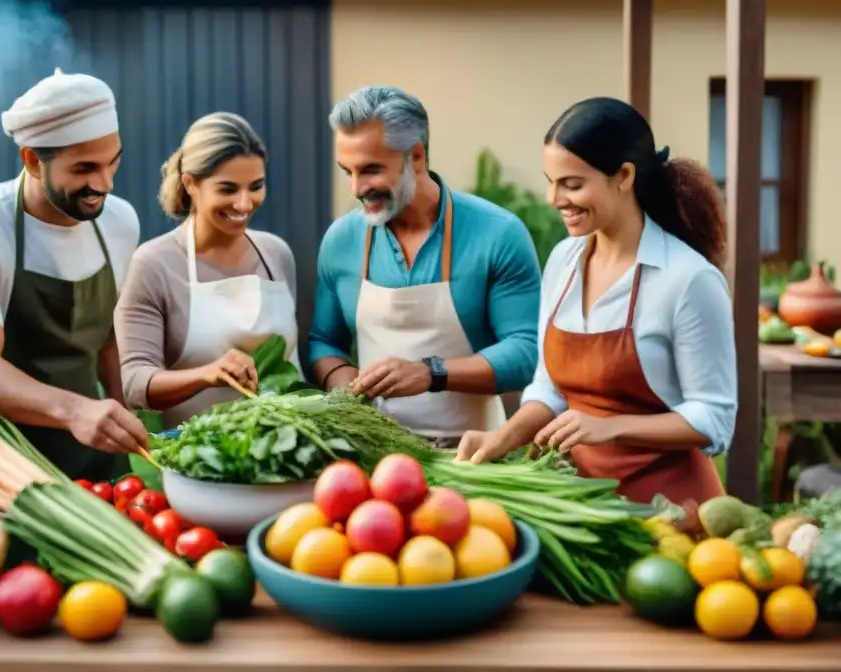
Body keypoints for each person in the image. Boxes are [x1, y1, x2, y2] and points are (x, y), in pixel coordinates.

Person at [457, 97, 736, 508]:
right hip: (583, 503)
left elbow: (714, 419)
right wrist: (503, 438)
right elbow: (548, 388)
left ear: (623, 176)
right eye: (550, 181)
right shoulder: (563, 261)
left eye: (571, 184)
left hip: (670, 513)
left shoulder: (688, 280)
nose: (554, 199)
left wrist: (613, 427)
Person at [0, 68, 148, 482]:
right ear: (33, 161)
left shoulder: (120, 222)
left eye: (113, 162)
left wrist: (130, 417)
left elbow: (109, 338)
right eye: (85, 168)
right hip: (2, 460)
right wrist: (75, 411)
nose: (103, 183)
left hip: (95, 450)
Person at [309, 86, 541, 448]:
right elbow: (323, 342)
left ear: (416, 157)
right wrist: (345, 384)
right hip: (372, 453)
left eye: (371, 169)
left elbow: (527, 351)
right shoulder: (341, 240)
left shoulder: (497, 233)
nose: (356, 188)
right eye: (347, 171)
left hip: (472, 455)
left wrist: (431, 373)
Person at [115, 112, 298, 426]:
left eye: (256, 186)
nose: (244, 204)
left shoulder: (276, 254)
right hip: (197, 460)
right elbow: (134, 384)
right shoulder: (154, 264)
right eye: (227, 189)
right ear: (190, 184)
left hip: (281, 454)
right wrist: (207, 374)